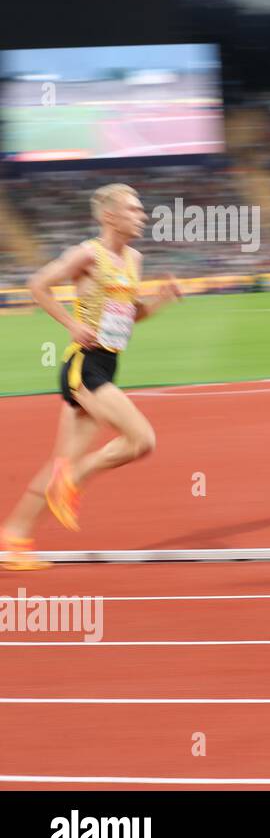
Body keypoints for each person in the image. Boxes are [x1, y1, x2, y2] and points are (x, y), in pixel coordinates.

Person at [1, 184, 182, 571]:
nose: (143, 215)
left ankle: (14, 537)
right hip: (84, 366)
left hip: (108, 362)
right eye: (134, 209)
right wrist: (70, 323)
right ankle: (74, 478)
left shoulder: (133, 258)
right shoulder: (87, 254)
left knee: (59, 462)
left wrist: (161, 301)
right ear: (109, 216)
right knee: (141, 439)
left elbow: (131, 315)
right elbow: (37, 285)